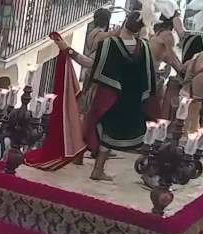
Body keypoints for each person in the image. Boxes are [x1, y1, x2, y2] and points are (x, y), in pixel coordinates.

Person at [67, 10, 156, 181]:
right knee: (108, 132)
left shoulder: (109, 44)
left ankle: (82, 160)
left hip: (107, 93)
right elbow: (147, 76)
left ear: (124, 22)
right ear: (139, 29)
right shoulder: (143, 46)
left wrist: (69, 51)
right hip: (130, 99)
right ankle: (97, 169)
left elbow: (92, 65)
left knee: (94, 124)